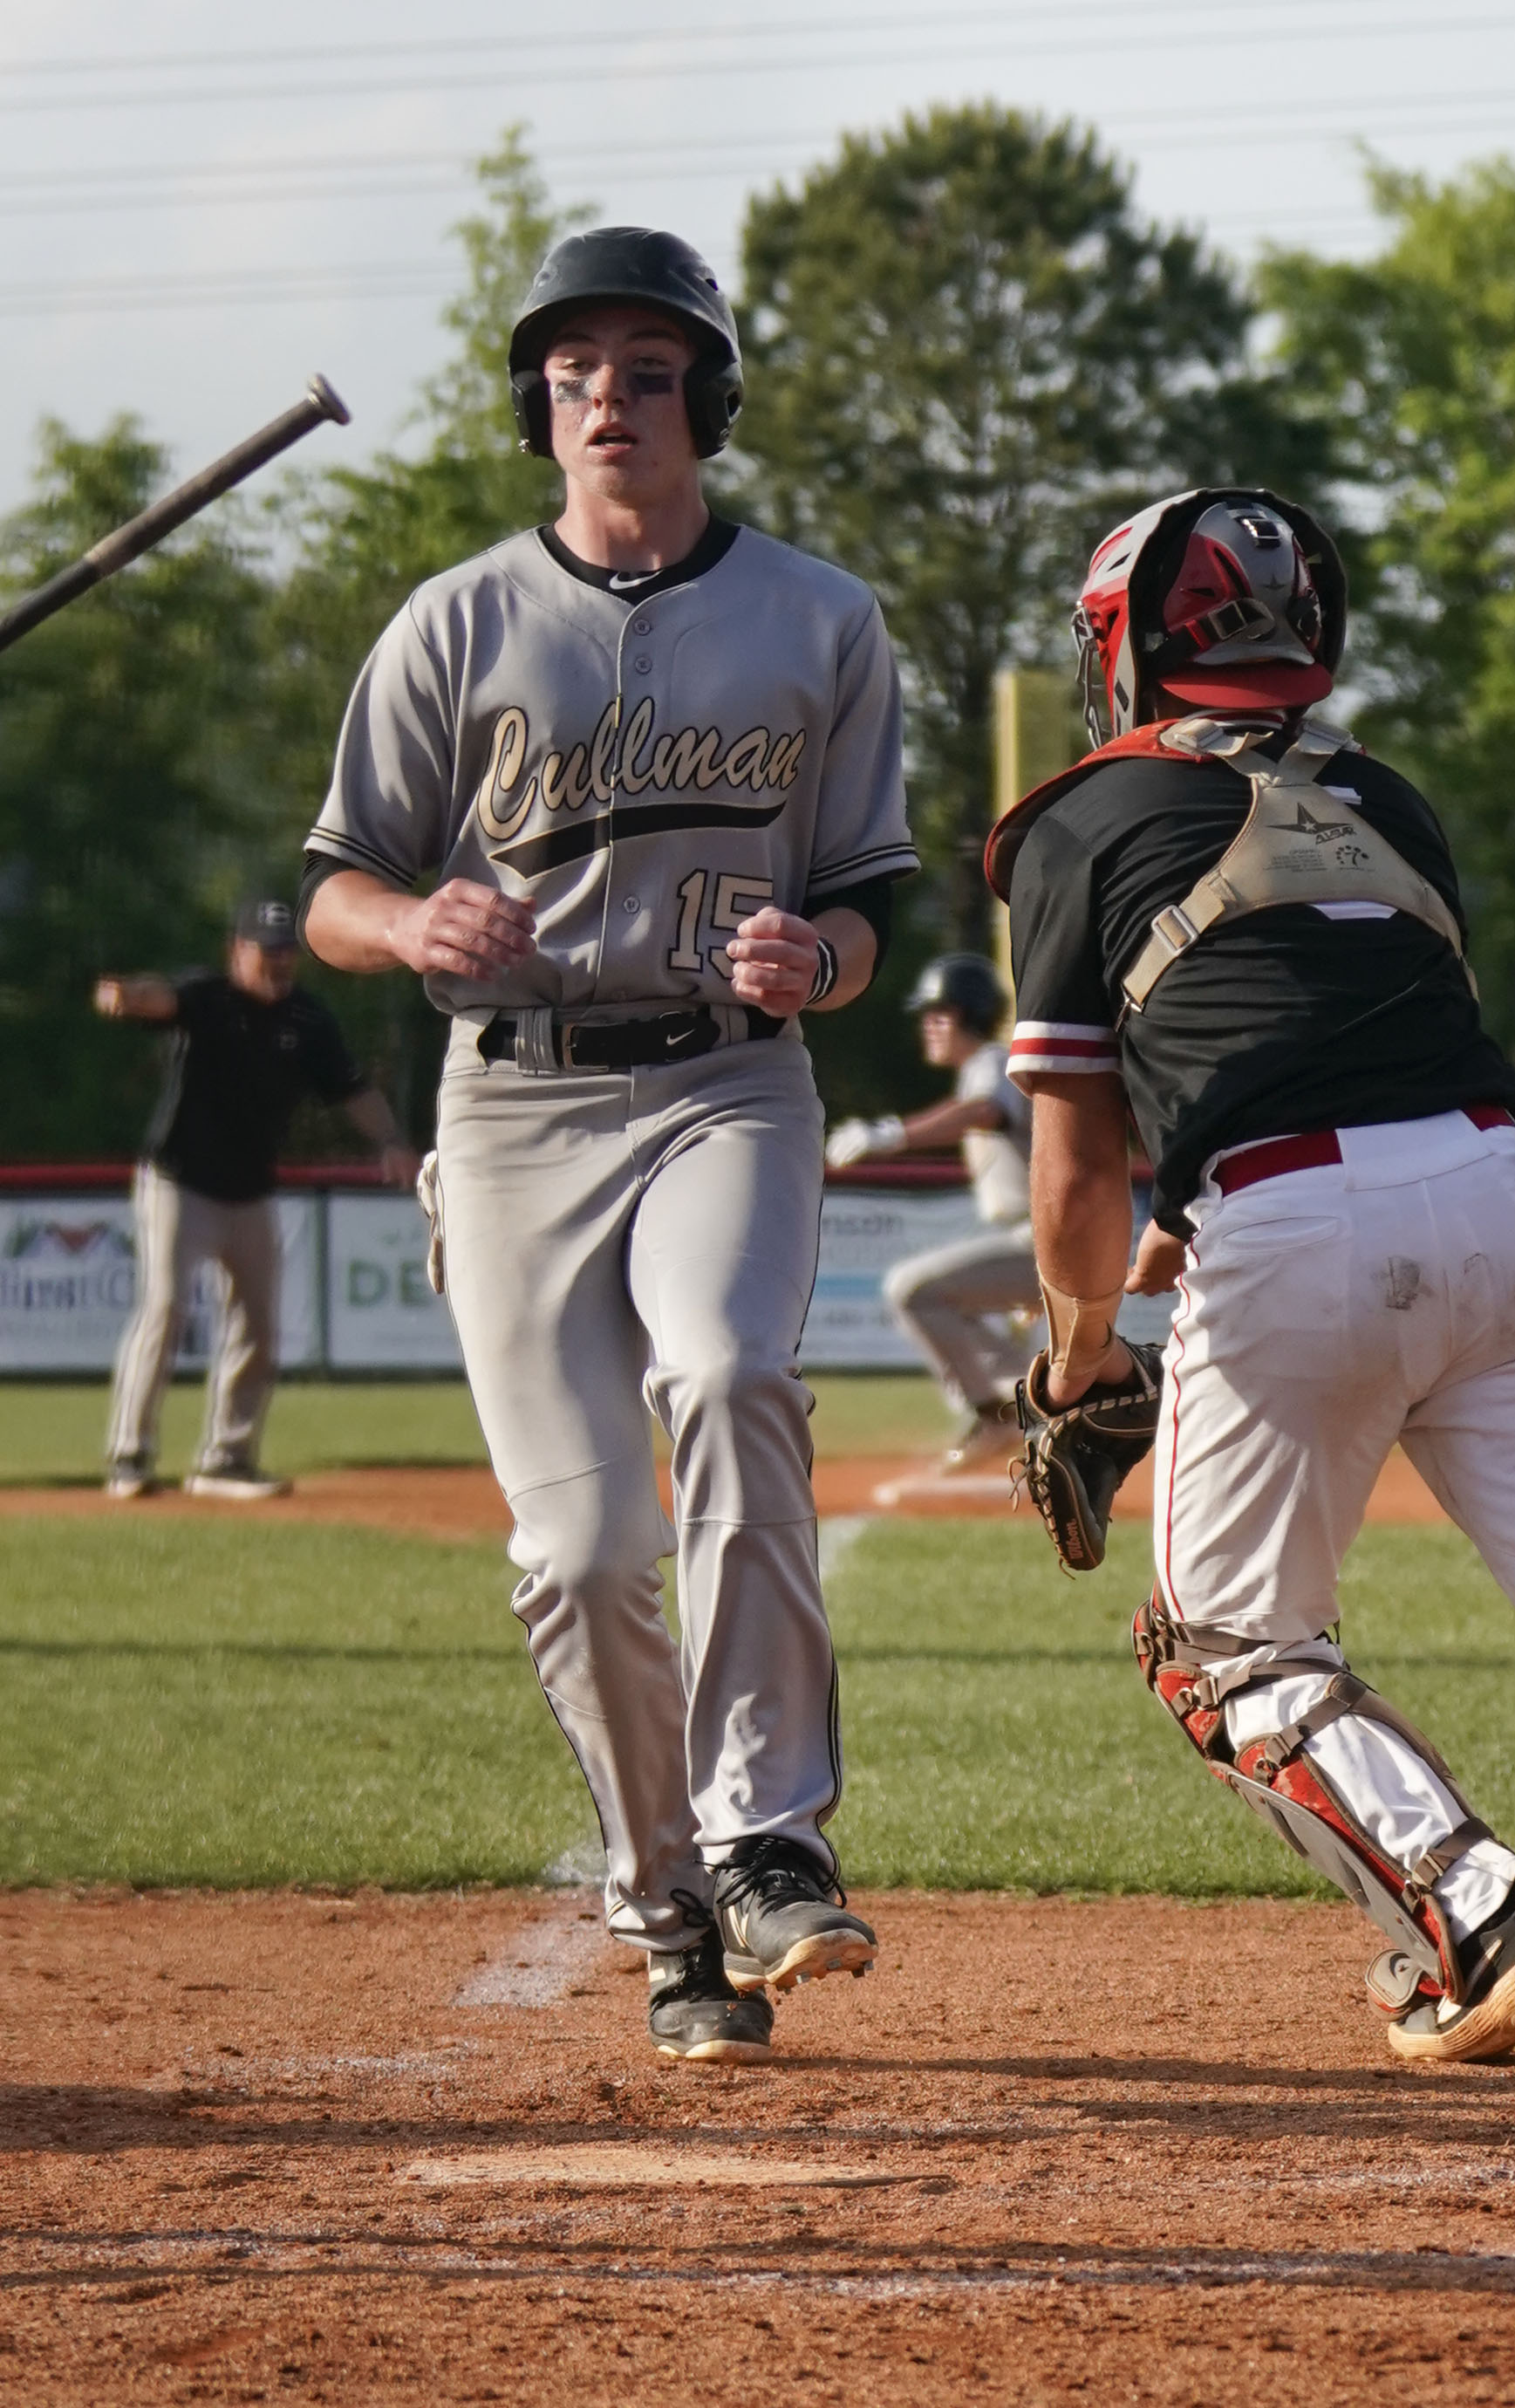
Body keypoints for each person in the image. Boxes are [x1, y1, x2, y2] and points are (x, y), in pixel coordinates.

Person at [300, 226, 917, 2065]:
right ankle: (668, 1917)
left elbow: (871, 906)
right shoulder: (456, 621)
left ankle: (770, 1837)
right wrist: (408, 923)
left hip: (729, 1082)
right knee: (577, 1553)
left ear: (707, 399)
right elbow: (333, 891)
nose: (608, 401)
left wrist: (823, 961)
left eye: (649, 371)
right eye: (573, 374)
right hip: (512, 1103)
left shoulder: (822, 617)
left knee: (730, 1373)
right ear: (536, 410)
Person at [986, 485, 1515, 2063]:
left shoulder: (1074, 819)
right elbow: (1346, 1045)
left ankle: (1482, 1919)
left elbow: (1074, 1175)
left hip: (1300, 1233)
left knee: (1226, 1654)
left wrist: (1079, 1359)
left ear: (1125, 648)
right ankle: (1487, 1900)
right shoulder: (1387, 796)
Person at [99, 898, 419, 1501]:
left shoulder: (307, 1019)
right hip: (178, 1183)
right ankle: (130, 1456)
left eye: (286, 951)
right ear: (236, 952)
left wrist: (392, 1141)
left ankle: (227, 1459)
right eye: (266, 951)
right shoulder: (209, 997)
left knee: (259, 1326)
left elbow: (351, 1089)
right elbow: (159, 998)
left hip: (249, 1190)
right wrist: (126, 995)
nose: (278, 962)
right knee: (164, 1310)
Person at [827, 954, 1039, 1472]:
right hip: (1038, 1242)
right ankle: (1021, 1399)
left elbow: (984, 1110)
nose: (927, 1024)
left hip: (1042, 1243)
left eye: (936, 1013)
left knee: (912, 1289)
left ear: (965, 1014)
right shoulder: (983, 1068)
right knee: (944, 1303)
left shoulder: (992, 1062)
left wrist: (890, 1135)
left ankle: (997, 1414)